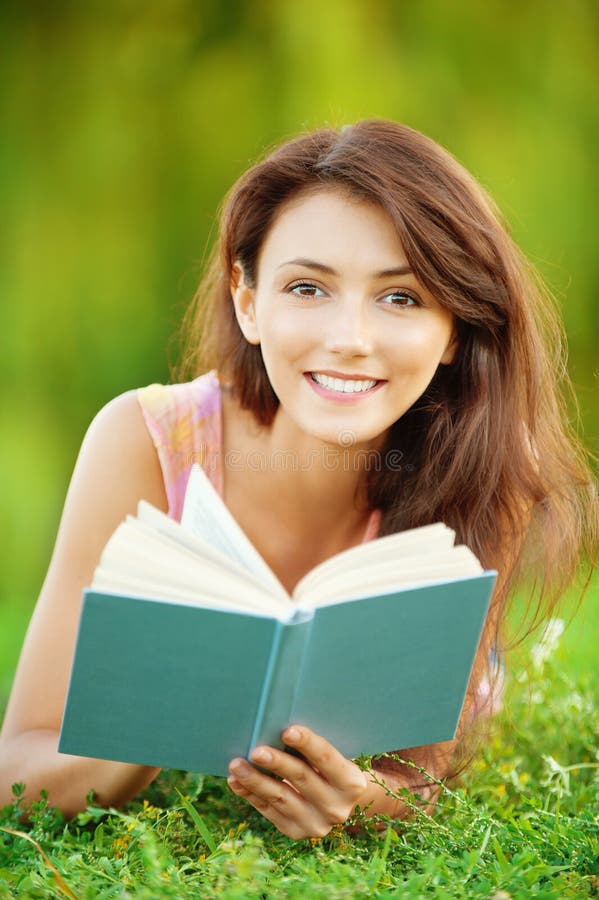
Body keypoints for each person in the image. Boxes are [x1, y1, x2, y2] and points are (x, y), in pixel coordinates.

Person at [0, 120, 596, 840]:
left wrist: (357, 803)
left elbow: (419, 775)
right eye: (307, 287)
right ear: (248, 302)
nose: (348, 338)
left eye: (401, 297)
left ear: (454, 329)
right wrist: (141, 731)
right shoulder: (144, 444)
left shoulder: (487, 468)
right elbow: (18, 768)